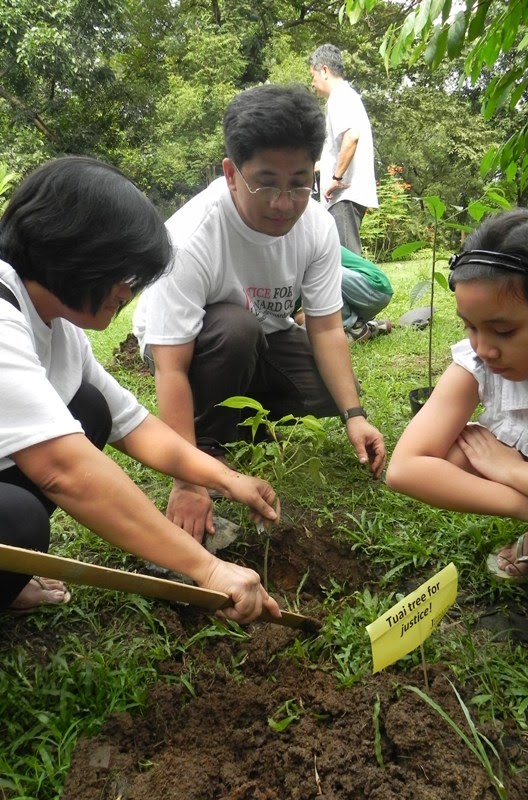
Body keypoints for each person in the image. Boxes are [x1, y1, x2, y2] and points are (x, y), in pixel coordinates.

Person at [0, 156, 281, 624]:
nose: (129, 291)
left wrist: (229, 481)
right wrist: (208, 569)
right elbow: (61, 469)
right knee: (14, 519)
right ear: (76, 253)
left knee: (88, 408)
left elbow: (133, 425)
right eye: (124, 273)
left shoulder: (55, 328)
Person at [133, 84, 386, 539]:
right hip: (193, 342)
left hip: (264, 337)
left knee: (334, 391)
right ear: (231, 173)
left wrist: (356, 415)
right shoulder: (191, 238)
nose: (283, 203)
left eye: (298, 183)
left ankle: (241, 419)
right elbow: (171, 367)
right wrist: (188, 479)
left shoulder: (316, 225)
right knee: (236, 328)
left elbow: (327, 329)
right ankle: (208, 445)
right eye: (265, 182)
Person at [386, 206, 528, 584]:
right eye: (470, 327)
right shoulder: (478, 362)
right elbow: (405, 468)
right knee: (454, 455)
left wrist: (511, 469)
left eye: (503, 331)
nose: (484, 348)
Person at [309, 44, 378, 256]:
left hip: (344, 195)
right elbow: (339, 148)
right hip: (345, 195)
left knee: (348, 261)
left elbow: (352, 137)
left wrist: (336, 177)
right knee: (342, 258)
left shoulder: (340, 97)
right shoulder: (347, 97)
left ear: (324, 70)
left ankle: (369, 290)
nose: (313, 83)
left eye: (313, 76)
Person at [294, 246, 393, 343]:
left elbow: (292, 293)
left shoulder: (303, 246)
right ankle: (368, 326)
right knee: (302, 317)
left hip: (373, 288)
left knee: (314, 270)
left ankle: (354, 328)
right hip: (360, 297)